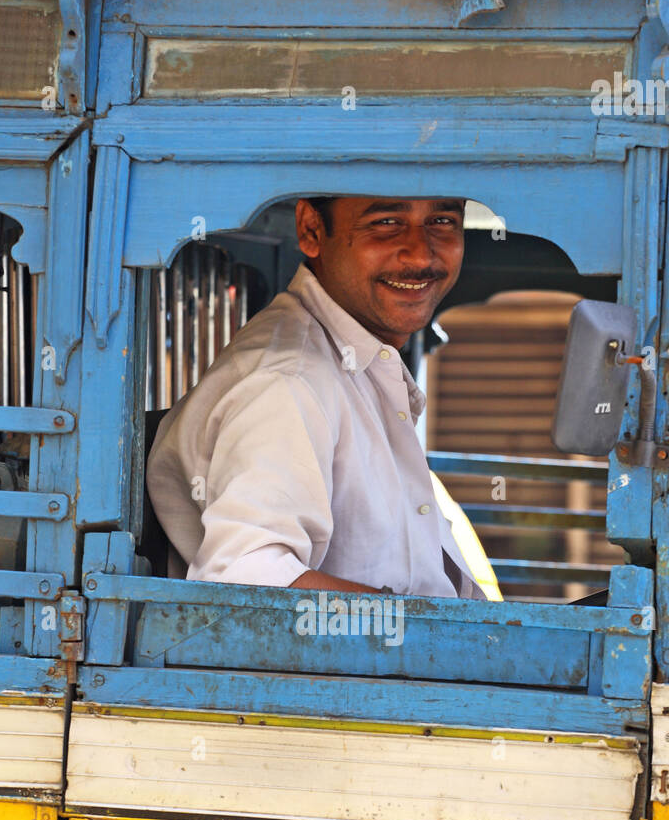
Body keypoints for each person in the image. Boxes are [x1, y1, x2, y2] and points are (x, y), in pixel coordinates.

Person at [147, 196, 493, 598]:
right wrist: (420, 631)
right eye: (386, 221)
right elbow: (246, 580)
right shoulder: (289, 382)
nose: (420, 252)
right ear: (312, 229)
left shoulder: (355, 367)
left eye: (442, 220)